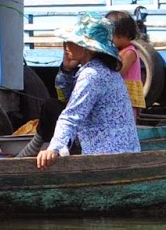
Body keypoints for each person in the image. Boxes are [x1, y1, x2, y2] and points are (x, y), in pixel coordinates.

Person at [36, 13, 141, 168]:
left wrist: (54, 147)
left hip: (109, 158)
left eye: (72, 42)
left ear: (87, 48)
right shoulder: (102, 69)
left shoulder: (92, 74)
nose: (66, 45)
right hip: (123, 154)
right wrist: (66, 70)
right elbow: (67, 98)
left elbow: (71, 115)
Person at [107, 11, 146, 113]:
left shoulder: (129, 52)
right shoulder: (119, 51)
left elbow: (119, 73)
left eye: (113, 36)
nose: (110, 39)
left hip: (129, 97)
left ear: (125, 34)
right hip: (120, 95)